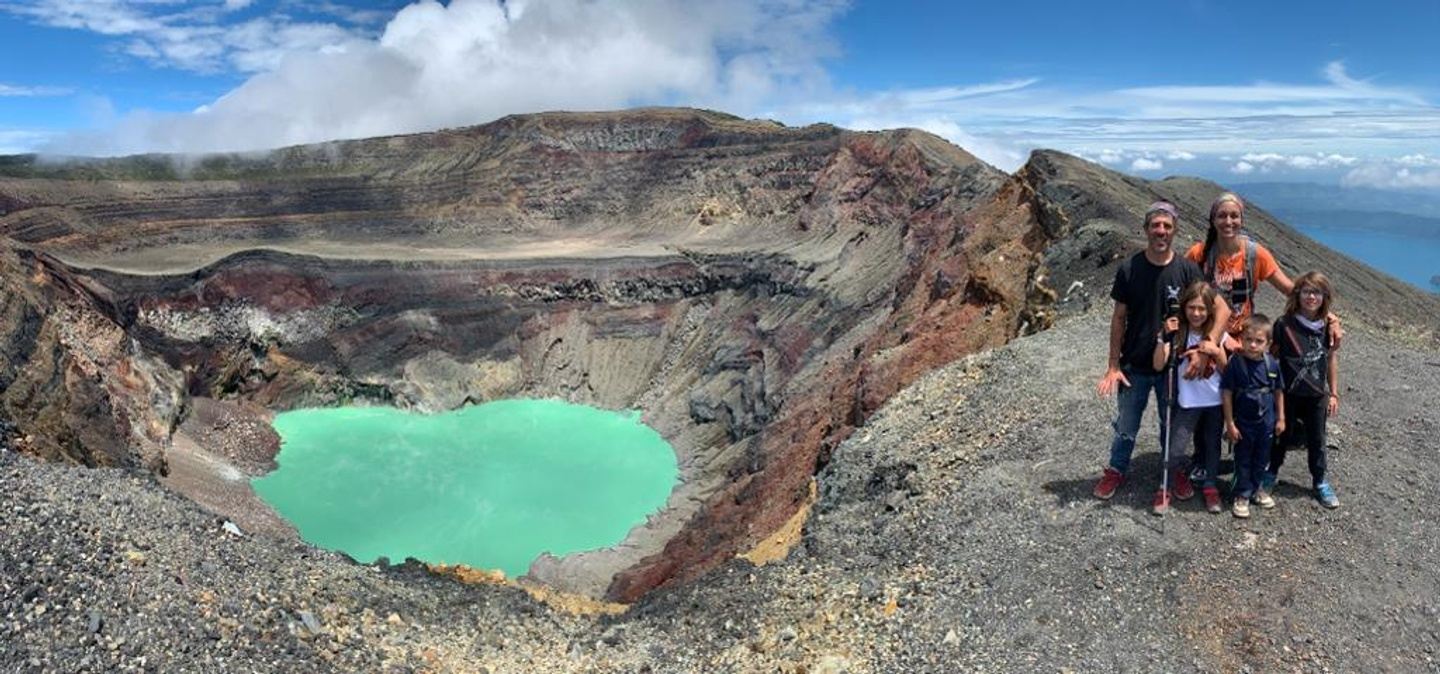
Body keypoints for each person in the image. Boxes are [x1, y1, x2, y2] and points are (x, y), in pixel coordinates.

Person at [1094, 202, 1230, 501]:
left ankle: (1173, 469)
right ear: (1146, 229)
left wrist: (1207, 346)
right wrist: (1113, 365)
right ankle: (1116, 468)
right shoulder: (1129, 269)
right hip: (1135, 364)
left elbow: (1221, 309)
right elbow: (1119, 318)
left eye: (1167, 226)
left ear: (1174, 231)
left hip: (1174, 367)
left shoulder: (1187, 270)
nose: (1161, 231)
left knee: (1171, 424)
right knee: (1127, 425)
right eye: (1155, 225)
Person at [1186, 192, 1342, 349]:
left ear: (1241, 220)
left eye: (1234, 216)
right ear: (1213, 220)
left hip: (1245, 343)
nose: (1228, 221)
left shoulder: (1255, 255)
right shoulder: (1198, 254)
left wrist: (1330, 317)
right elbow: (1181, 288)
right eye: (1222, 216)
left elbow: (1291, 290)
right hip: (1207, 338)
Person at [1152, 281, 1232, 515]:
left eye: (1202, 309)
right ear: (1184, 306)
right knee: (1176, 448)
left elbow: (1227, 370)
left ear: (1210, 310)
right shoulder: (1178, 333)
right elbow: (1158, 365)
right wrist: (1163, 338)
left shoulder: (1217, 335)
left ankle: (1210, 486)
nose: (1196, 313)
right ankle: (1165, 487)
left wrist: (1215, 351)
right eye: (1191, 308)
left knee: (1212, 446)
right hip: (1188, 403)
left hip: (1214, 401)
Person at [1265, 272, 1342, 508]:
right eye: (1307, 291)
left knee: (1317, 439)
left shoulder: (1327, 328)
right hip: (1287, 392)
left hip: (1316, 395)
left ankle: (1320, 481)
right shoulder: (1283, 324)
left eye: (1317, 292)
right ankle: (1270, 473)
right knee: (1280, 435)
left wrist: (1333, 393)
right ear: (1297, 294)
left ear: (1324, 297)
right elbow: (1273, 355)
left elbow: (1331, 359)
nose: (1311, 297)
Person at [1221, 314, 1285, 519]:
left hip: (1266, 422)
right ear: (1241, 339)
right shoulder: (1235, 364)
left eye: (1259, 341)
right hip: (1243, 423)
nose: (1253, 345)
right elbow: (1227, 393)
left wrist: (1281, 418)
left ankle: (1257, 488)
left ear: (1268, 343)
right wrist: (1230, 423)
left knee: (1262, 457)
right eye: (1248, 340)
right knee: (1243, 458)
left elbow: (1278, 391)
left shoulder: (1272, 364)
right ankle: (1242, 494)